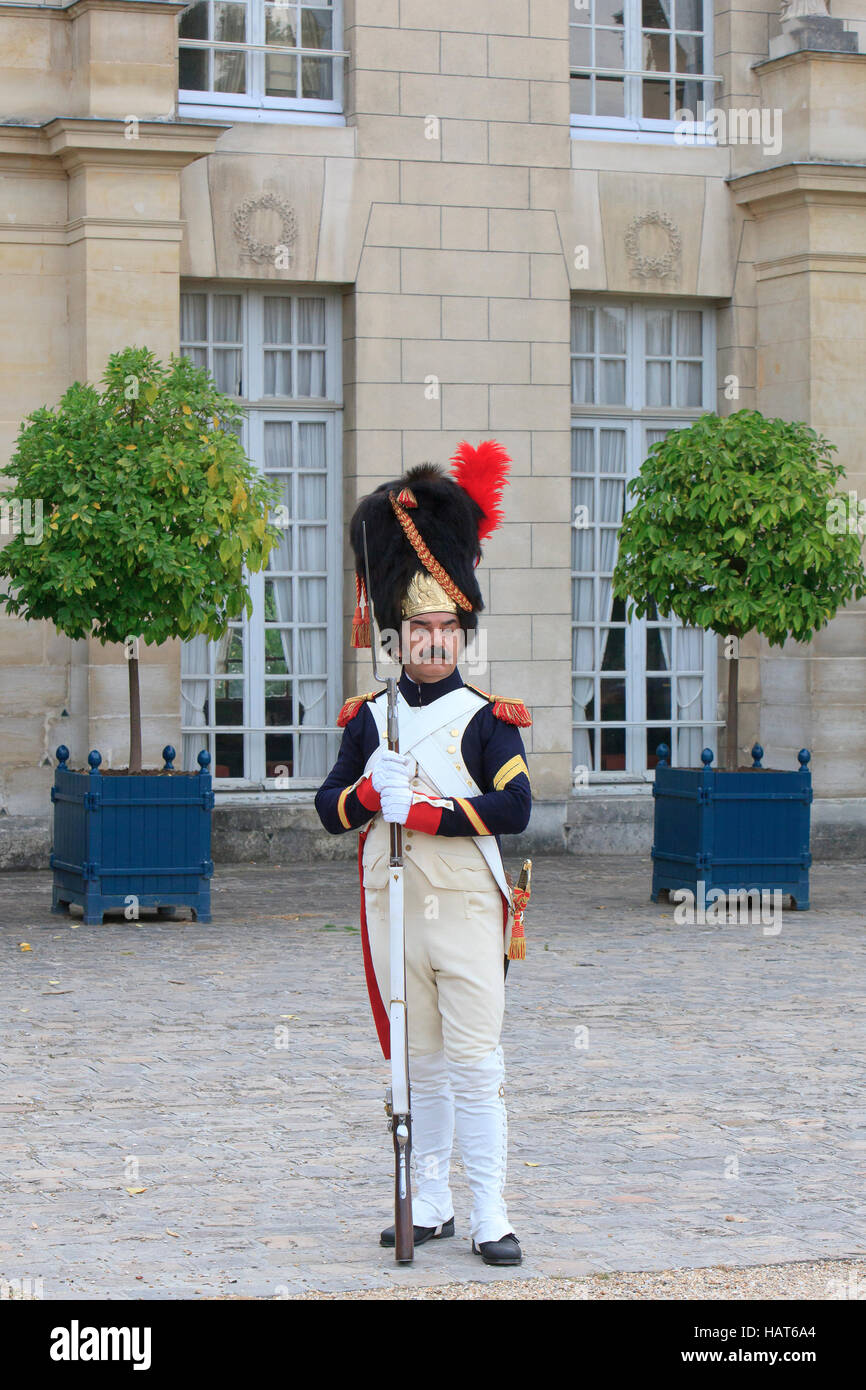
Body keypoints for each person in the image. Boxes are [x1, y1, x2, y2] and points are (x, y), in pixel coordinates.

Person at [314, 440, 532, 1266]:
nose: (434, 642)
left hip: (468, 910)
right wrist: (371, 794)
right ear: (396, 636)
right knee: (420, 1065)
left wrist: (433, 812)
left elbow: (515, 807)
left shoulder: (487, 719)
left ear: (460, 633)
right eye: (419, 630)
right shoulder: (369, 718)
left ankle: (491, 1212)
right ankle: (430, 1201)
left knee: (475, 1062)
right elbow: (329, 811)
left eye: (446, 629)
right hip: (392, 908)